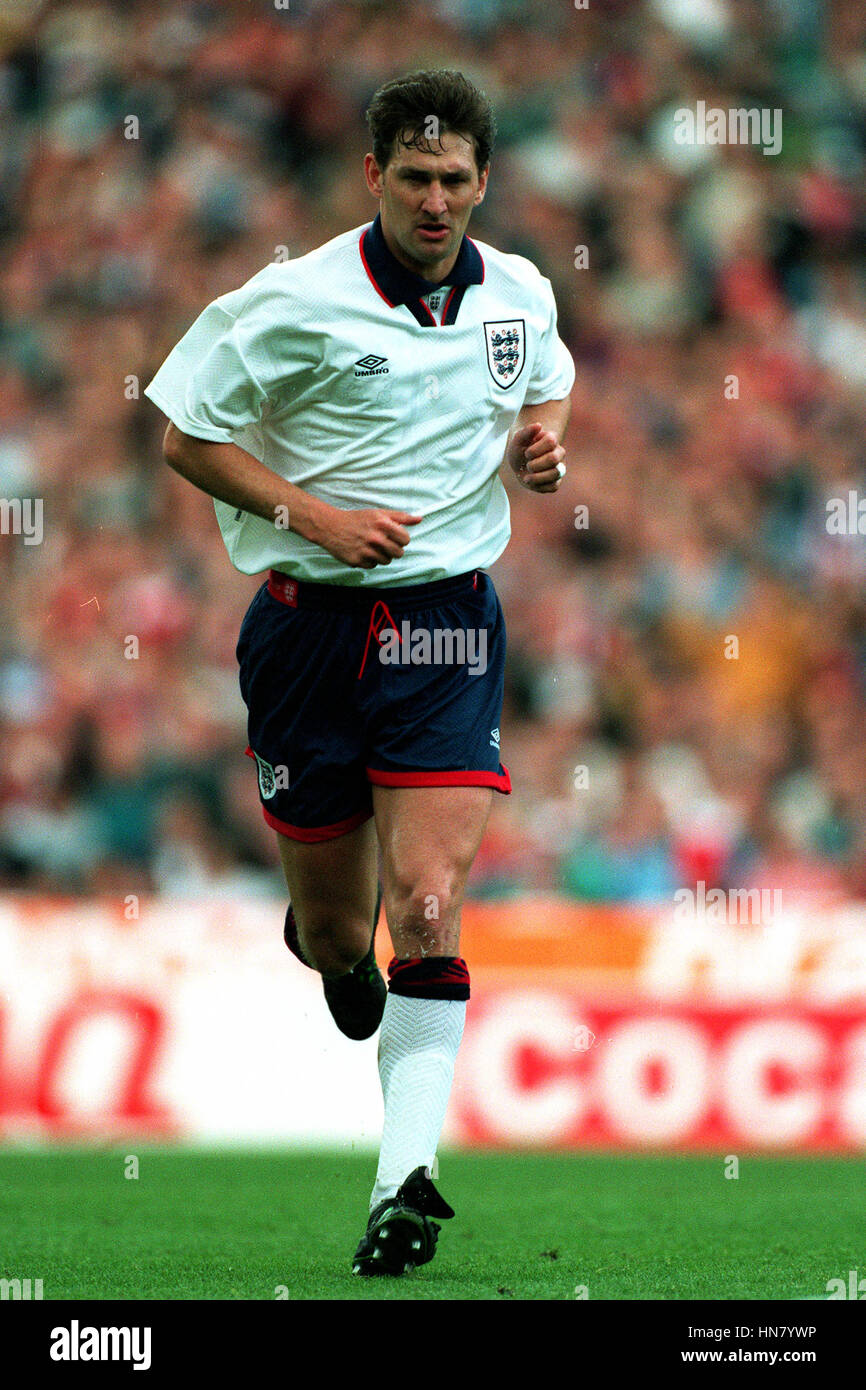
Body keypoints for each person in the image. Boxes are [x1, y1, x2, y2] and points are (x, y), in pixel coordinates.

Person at [144, 68, 574, 1277]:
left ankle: (404, 1180)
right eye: (416, 177)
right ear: (372, 173)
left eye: (457, 181)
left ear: (483, 182)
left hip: (445, 622)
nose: (437, 201)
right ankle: (332, 952)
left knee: (428, 902)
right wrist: (311, 516)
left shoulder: (520, 294)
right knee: (345, 931)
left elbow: (543, 392)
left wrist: (543, 452)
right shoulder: (288, 302)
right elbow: (184, 435)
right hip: (306, 624)